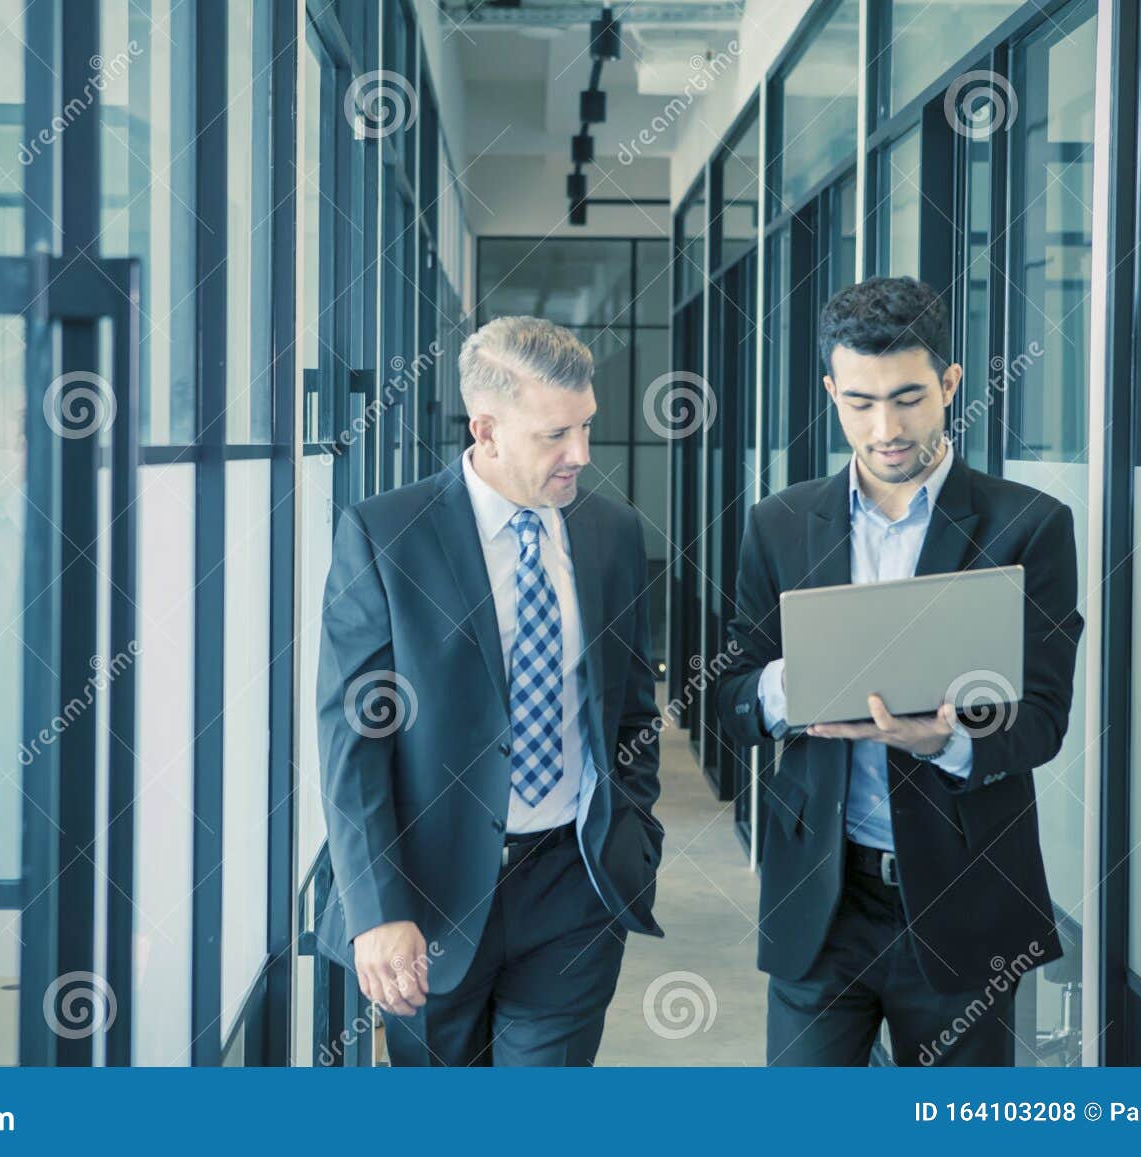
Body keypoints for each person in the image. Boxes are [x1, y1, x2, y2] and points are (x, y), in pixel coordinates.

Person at [715, 276, 1084, 1066]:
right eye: (860, 402)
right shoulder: (779, 525)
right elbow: (730, 698)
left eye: (910, 397)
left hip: (963, 901)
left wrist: (943, 740)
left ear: (950, 383)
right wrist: (793, 683)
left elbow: (1045, 717)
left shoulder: (1030, 528)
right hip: (823, 902)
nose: (885, 427)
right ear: (831, 393)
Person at [316, 315, 665, 1067]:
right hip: (429, 898)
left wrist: (634, 833)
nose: (581, 454)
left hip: (573, 885)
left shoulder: (612, 534)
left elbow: (633, 705)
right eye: (555, 435)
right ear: (487, 428)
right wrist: (377, 909)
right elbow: (352, 741)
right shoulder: (388, 535)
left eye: (586, 427)